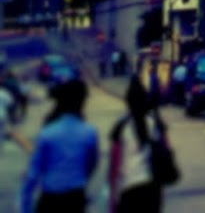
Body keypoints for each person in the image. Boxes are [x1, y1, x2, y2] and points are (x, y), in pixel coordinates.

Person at [20, 77, 99, 213]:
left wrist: (25, 203)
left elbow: (34, 171)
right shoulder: (89, 132)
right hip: (75, 198)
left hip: (51, 198)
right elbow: (91, 164)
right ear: (82, 102)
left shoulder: (48, 132)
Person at [108, 77, 172, 213]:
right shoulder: (155, 123)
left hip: (129, 190)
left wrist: (112, 196)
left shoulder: (121, 127)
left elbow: (114, 166)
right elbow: (166, 152)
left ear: (128, 102)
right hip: (152, 189)